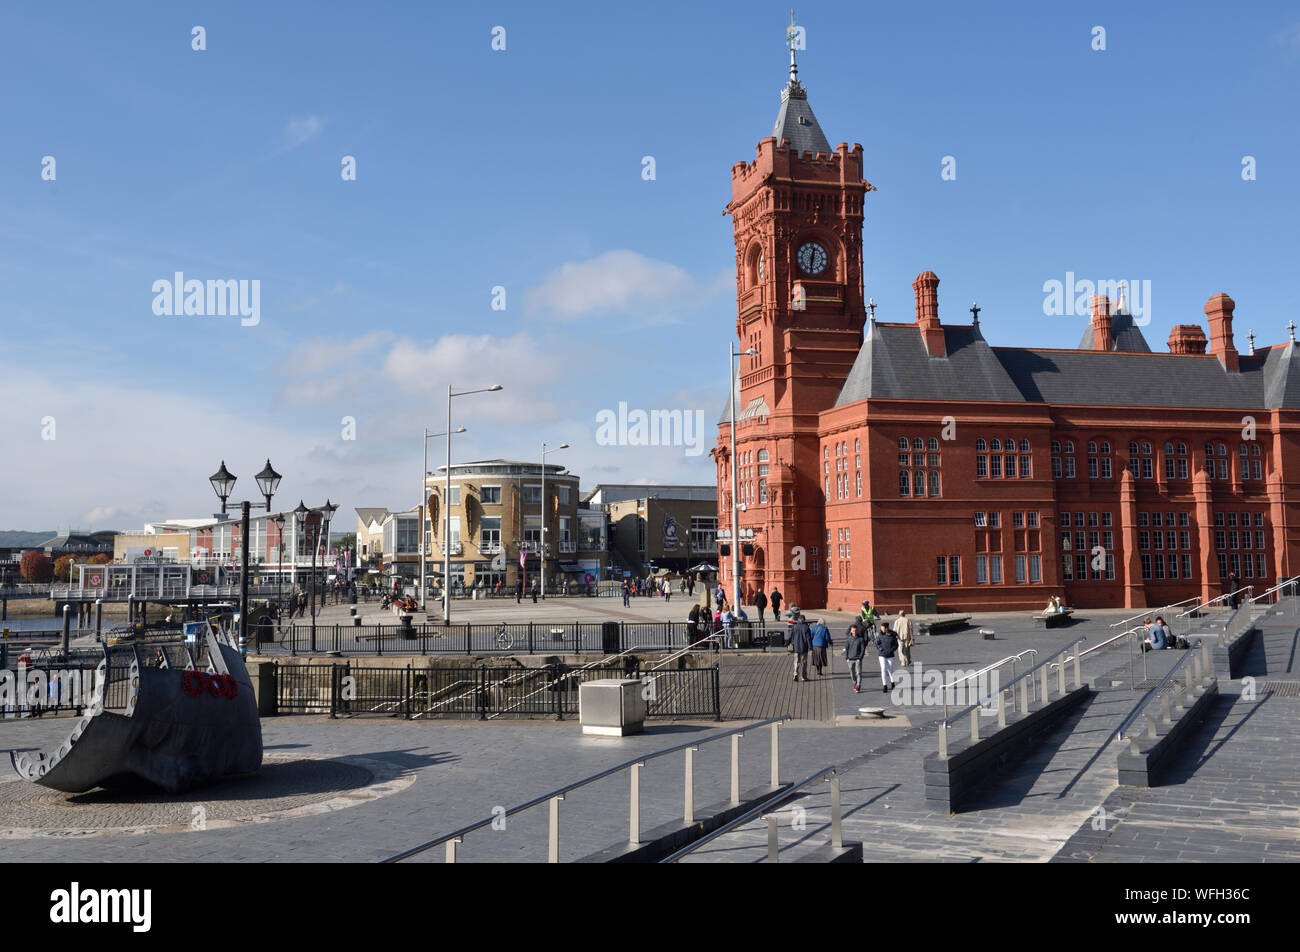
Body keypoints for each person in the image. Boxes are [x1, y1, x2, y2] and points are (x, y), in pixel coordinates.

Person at [844, 619, 867, 693]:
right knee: (852, 672)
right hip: (850, 659)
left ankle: (858, 686)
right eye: (853, 630)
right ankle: (854, 683)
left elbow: (863, 650)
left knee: (858, 673)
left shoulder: (860, 639)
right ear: (851, 631)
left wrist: (860, 658)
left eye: (855, 630)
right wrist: (846, 657)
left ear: (857, 631)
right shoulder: (848, 639)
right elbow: (846, 649)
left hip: (857, 659)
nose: (854, 632)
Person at [875, 622, 899, 693]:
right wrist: (880, 649)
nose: (881, 629)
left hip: (890, 655)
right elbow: (877, 643)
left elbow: (896, 645)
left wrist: (892, 650)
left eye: (882, 628)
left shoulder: (892, 635)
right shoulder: (880, 635)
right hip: (882, 655)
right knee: (883, 669)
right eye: (881, 628)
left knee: (890, 669)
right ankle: (884, 685)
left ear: (886, 628)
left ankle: (892, 683)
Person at [788, 612, 812, 682]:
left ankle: (795, 674)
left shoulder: (794, 626)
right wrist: (810, 647)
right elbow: (808, 638)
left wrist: (787, 643)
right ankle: (803, 677)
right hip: (804, 648)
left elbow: (790, 636)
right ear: (804, 620)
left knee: (796, 661)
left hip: (796, 647)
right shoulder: (806, 627)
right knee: (804, 662)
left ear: (798, 620)